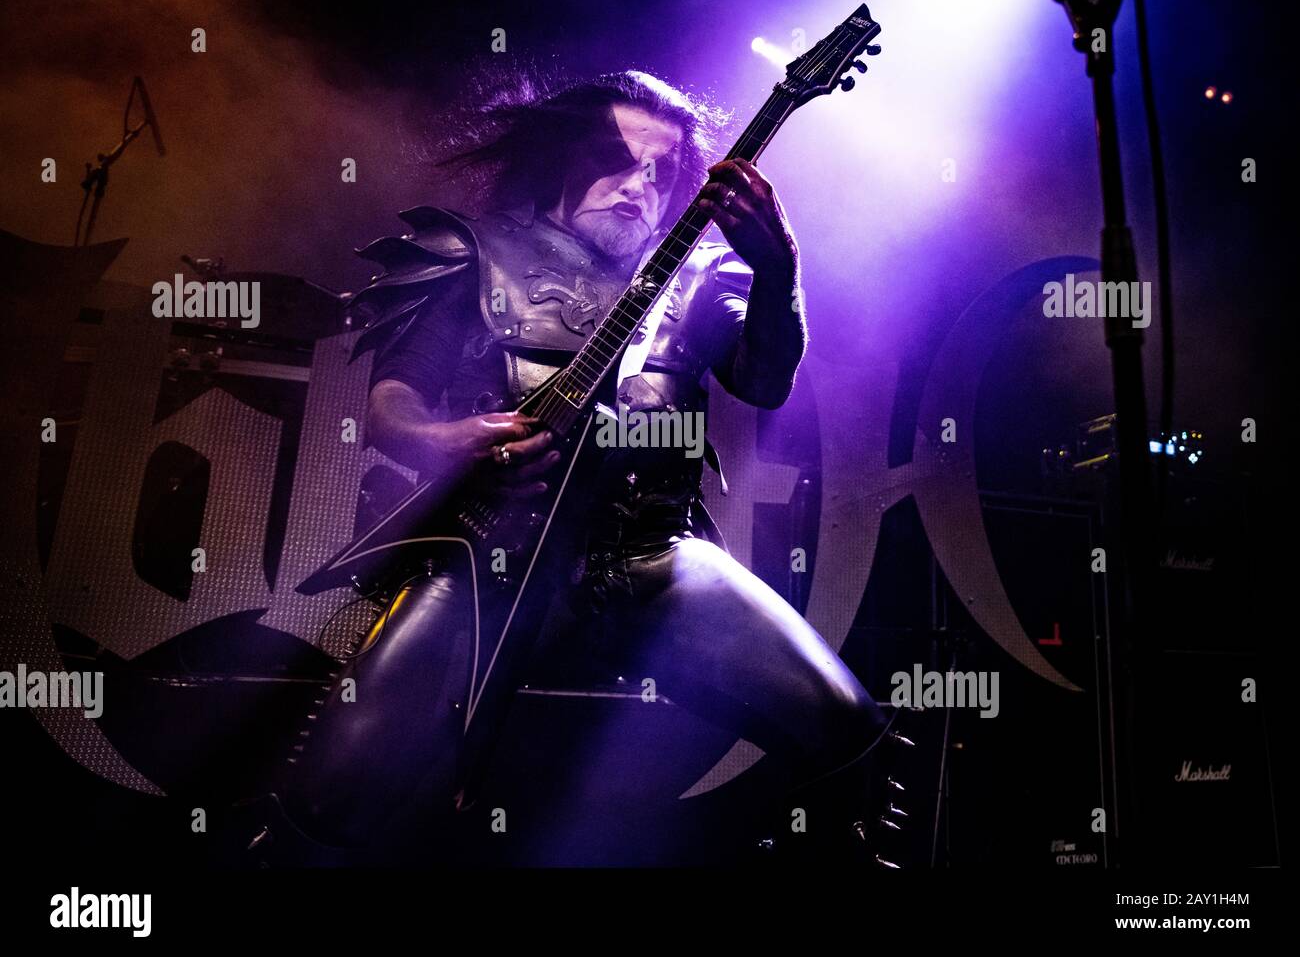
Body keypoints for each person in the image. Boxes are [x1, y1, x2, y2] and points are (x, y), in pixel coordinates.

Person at [274, 70, 904, 863]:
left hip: (648, 558)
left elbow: (767, 380)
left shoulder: (701, 278)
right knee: (330, 789)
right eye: (614, 158)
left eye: (660, 171)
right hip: (487, 554)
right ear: (561, 158)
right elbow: (390, 404)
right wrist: (453, 441)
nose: (637, 185)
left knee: (855, 741)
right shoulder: (471, 252)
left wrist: (781, 269)